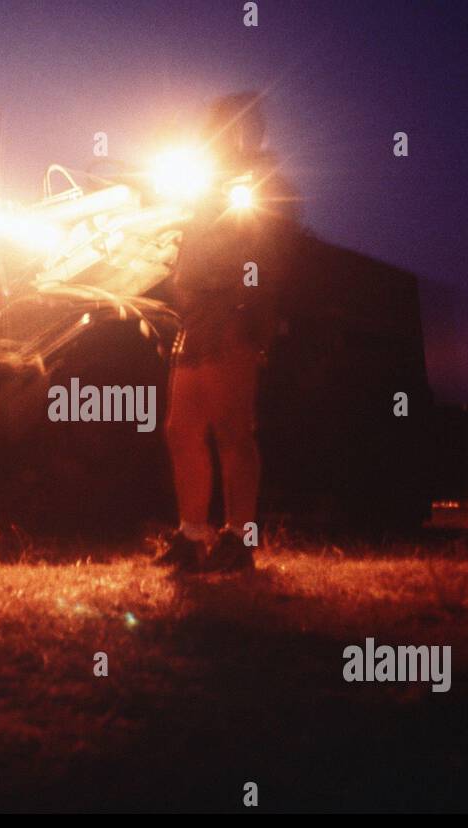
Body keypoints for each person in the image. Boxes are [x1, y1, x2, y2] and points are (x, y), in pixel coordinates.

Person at [156, 93, 299, 573]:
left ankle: (240, 539)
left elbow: (267, 258)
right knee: (181, 430)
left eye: (230, 124)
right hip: (195, 319)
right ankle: (193, 534)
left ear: (248, 130)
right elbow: (188, 249)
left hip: (231, 318)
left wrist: (246, 314)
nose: (219, 132)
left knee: (233, 431)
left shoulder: (262, 184)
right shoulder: (204, 188)